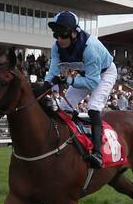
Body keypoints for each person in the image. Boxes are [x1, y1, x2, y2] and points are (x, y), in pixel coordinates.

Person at [48, 10, 117, 169]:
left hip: (104, 73)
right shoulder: (56, 47)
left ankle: (98, 153)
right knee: (65, 107)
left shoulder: (90, 47)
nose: (59, 39)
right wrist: (46, 84)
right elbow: (53, 71)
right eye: (56, 34)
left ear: (73, 33)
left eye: (62, 34)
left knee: (93, 107)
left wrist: (69, 80)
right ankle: (70, 143)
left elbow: (93, 83)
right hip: (86, 74)